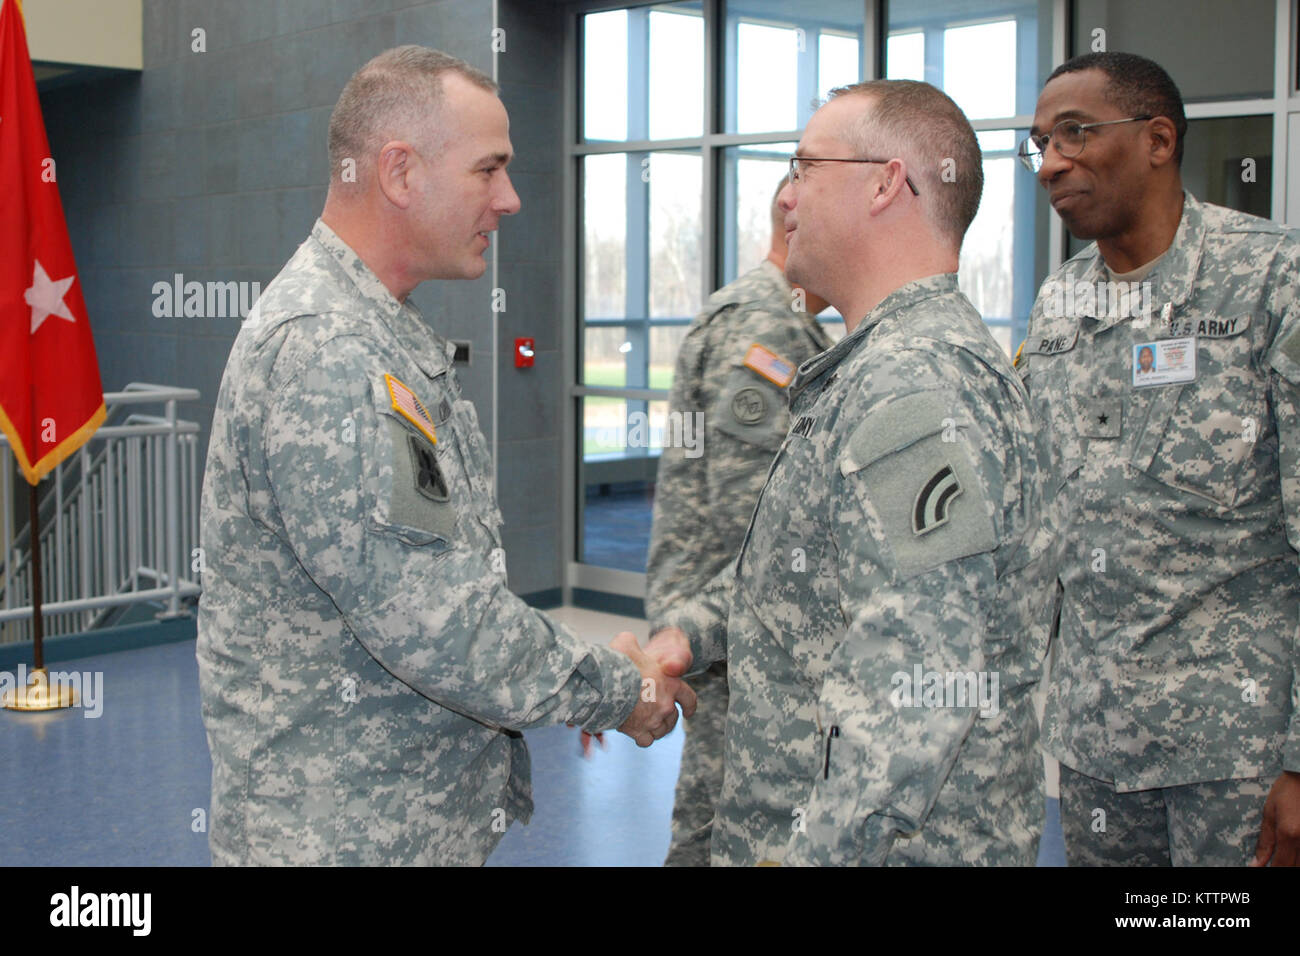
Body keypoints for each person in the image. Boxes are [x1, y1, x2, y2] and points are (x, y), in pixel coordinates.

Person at [195, 46, 694, 866]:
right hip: (339, 840)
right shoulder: (329, 351)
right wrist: (617, 691)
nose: (510, 199)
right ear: (399, 172)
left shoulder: (378, 332)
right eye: (488, 170)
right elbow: (437, 621)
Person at [649, 79, 1055, 866]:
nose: (787, 197)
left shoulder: (915, 384)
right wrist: (682, 639)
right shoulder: (875, 371)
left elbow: (914, 687)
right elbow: (805, 583)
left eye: (804, 167)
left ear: (884, 184)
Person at [1016, 51, 1300, 866]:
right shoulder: (1062, 301)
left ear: (1159, 139)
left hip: (1237, 751)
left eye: (1075, 133)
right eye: (1040, 144)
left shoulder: (1270, 280)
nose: (1053, 163)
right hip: (1097, 746)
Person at [646, 175, 834, 867]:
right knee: (726, 826)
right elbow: (750, 519)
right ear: (793, 214)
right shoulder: (767, 325)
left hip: (712, 623)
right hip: (732, 636)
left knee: (715, 819)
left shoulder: (764, 314)